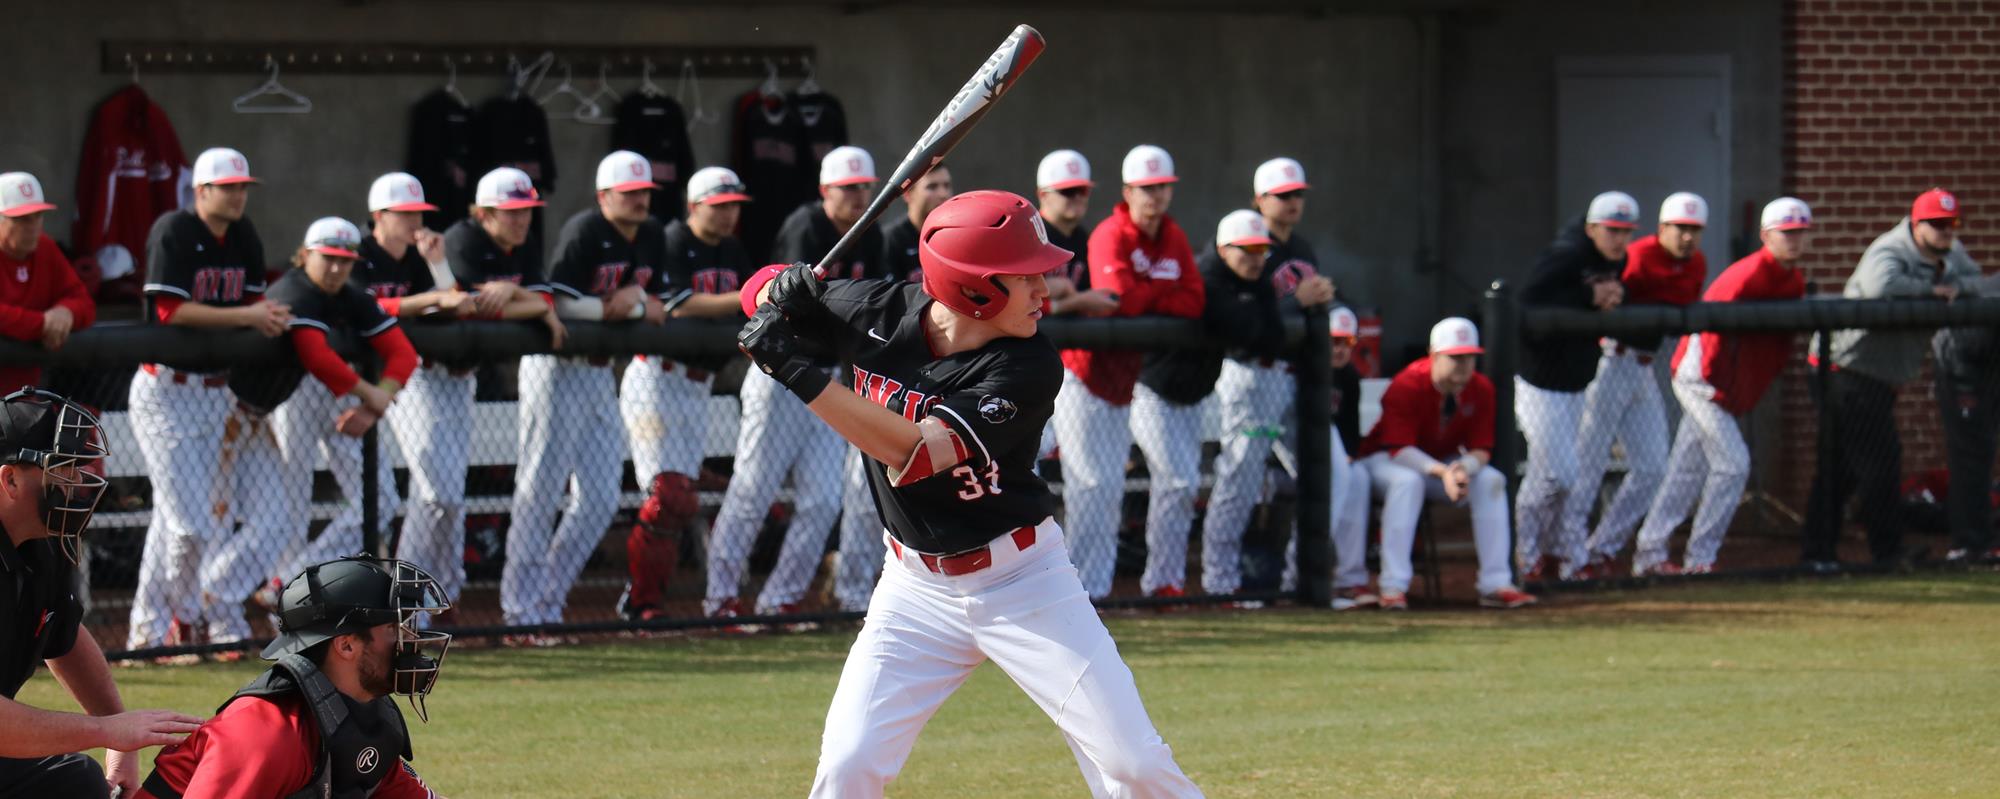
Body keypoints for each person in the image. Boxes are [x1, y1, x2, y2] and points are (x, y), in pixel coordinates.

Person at [737, 189, 1201, 797]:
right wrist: (781, 289)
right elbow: (757, 293)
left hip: (1023, 582)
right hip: (914, 591)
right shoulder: (873, 308)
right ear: (973, 289)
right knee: (848, 764)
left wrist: (797, 372)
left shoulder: (1028, 365)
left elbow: (914, 453)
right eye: (1026, 277)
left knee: (1132, 765)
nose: (1045, 290)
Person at [208, 218, 419, 644]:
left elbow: (403, 353)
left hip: (325, 397)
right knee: (283, 513)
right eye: (329, 258)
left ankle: (287, 587)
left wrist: (376, 402)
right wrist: (370, 395)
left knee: (379, 500)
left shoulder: (350, 296)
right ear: (306, 255)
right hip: (252, 406)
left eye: (345, 260)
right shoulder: (295, 289)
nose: (338, 268)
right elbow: (316, 355)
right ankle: (242, 608)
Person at [706, 146, 884, 621]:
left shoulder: (871, 234)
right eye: (848, 188)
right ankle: (720, 598)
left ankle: (781, 598)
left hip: (829, 380)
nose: (858, 196)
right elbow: (787, 303)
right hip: (781, 375)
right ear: (826, 190)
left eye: (864, 187)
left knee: (823, 499)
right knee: (753, 491)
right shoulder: (806, 227)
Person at [126, 147, 290, 651]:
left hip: (217, 393)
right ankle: (185, 618)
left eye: (243, 187)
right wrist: (248, 318)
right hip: (167, 392)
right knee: (190, 525)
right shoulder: (174, 230)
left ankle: (147, 633)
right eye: (229, 187)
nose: (239, 195)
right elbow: (170, 311)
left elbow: (253, 303)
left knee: (177, 523)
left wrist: (265, 314)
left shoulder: (243, 234)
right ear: (202, 191)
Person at [0, 388, 199, 799]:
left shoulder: (43, 544)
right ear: (10, 479)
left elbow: (64, 635)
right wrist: (105, 730)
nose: (77, 482)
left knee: (75, 780)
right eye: (62, 470)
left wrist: (116, 736)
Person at [136, 556, 451, 798]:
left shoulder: (366, 718)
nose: (409, 640)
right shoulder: (264, 732)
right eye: (393, 629)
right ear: (346, 645)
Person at [501, 151, 659, 630]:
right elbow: (562, 303)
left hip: (597, 372)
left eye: (643, 193)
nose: (638, 201)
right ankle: (519, 610)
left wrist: (633, 303)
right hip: (556, 367)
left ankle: (547, 601)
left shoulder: (651, 236)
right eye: (627, 194)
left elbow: (659, 305)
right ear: (603, 196)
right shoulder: (585, 230)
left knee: (601, 498)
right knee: (540, 488)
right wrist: (622, 307)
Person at [1802, 188, 1981, 571]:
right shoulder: (1891, 249)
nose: (1946, 232)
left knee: (1841, 467)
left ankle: (1818, 553)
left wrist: (1955, 288)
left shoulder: (1951, 252)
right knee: (1880, 461)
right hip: (1845, 369)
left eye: (1952, 225)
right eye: (1937, 225)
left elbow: (1976, 281)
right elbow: (1881, 288)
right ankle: (1887, 551)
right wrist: (1933, 292)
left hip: (1875, 375)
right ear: (1917, 226)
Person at [1630, 198, 1811, 576]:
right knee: (1733, 465)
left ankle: (1649, 552)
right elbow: (1710, 329)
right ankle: (1701, 558)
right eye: (1786, 233)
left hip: (1723, 380)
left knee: (1685, 470)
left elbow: (1779, 344)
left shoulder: (1792, 280)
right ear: (1766, 236)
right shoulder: (1746, 274)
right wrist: (1717, 385)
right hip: (1700, 376)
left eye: (1799, 234)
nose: (1793, 241)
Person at [1056, 144, 1205, 600]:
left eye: (1163, 187)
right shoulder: (1110, 233)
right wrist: (1162, 295)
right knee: (1089, 488)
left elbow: (1193, 300)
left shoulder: (1173, 236)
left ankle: (1096, 590)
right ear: (1128, 192)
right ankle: (1075, 591)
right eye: (1147, 187)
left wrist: (1149, 297)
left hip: (1125, 380)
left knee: (1110, 490)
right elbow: (1117, 295)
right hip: (1083, 375)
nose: (1156, 195)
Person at [615, 165, 753, 621]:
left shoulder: (732, 248)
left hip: (700, 384)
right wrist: (744, 299)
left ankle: (644, 598)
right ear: (695, 206)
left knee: (680, 500)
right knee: (667, 496)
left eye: (734, 205)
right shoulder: (672, 239)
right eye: (720, 206)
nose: (729, 213)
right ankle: (642, 603)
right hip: (658, 376)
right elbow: (674, 303)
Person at [356, 172, 489, 621]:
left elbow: (458, 305)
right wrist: (422, 301)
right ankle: (405, 601)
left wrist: (437, 266)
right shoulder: (359, 253)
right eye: (405, 213)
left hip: (424, 375)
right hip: (372, 380)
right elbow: (358, 306)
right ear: (379, 216)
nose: (415, 221)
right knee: (434, 493)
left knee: (446, 495)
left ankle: (435, 592)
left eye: (419, 213)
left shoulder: (419, 257)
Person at [1568, 192, 1711, 575]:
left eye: (1695, 230)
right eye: (1680, 228)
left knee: (1652, 467)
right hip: (1611, 359)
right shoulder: (1639, 255)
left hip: (1644, 365)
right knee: (1589, 462)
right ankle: (1570, 555)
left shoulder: (1697, 263)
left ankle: (1602, 548)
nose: (1687, 237)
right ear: (1662, 228)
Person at [1360, 318, 1536, 610]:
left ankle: (1495, 583)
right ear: (1434, 355)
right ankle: (1393, 587)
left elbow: (1481, 448)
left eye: (1469, 357)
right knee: (1408, 482)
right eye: (1455, 358)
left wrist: (1461, 470)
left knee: (1491, 479)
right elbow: (1399, 448)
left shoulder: (1481, 388)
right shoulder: (1408, 383)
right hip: (1384, 461)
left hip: (1441, 465)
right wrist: (1445, 473)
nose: (1464, 365)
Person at [1514, 191, 1632, 582]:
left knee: (1562, 474)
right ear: (1591, 228)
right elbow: (1525, 301)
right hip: (1538, 382)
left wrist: (1614, 296)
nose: (1619, 240)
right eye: (1611, 231)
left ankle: (1555, 554)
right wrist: (1587, 295)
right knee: (1556, 474)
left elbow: (1602, 301)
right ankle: (1527, 554)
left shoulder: (1620, 261)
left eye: (1625, 231)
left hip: (1577, 381)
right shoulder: (1566, 255)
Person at [1278, 308, 1373, 608]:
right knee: (1335, 479)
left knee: (1357, 477)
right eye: (1333, 341)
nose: (1339, 349)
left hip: (1326, 450)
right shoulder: (1296, 372)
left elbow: (1350, 432)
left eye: (1347, 342)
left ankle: (1349, 577)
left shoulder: (1349, 378)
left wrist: (1348, 456)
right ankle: (1298, 578)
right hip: (1285, 448)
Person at [0, 172, 97, 393]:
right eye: (22, 219)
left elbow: (84, 302)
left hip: (23, 396)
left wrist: (66, 312)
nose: (33, 226)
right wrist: (43, 324)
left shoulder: (45, 248)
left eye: (37, 216)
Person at [881, 163, 954, 284]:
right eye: (932, 187)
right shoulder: (890, 239)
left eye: (946, 186)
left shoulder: (955, 237)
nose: (943, 194)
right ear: (908, 194)